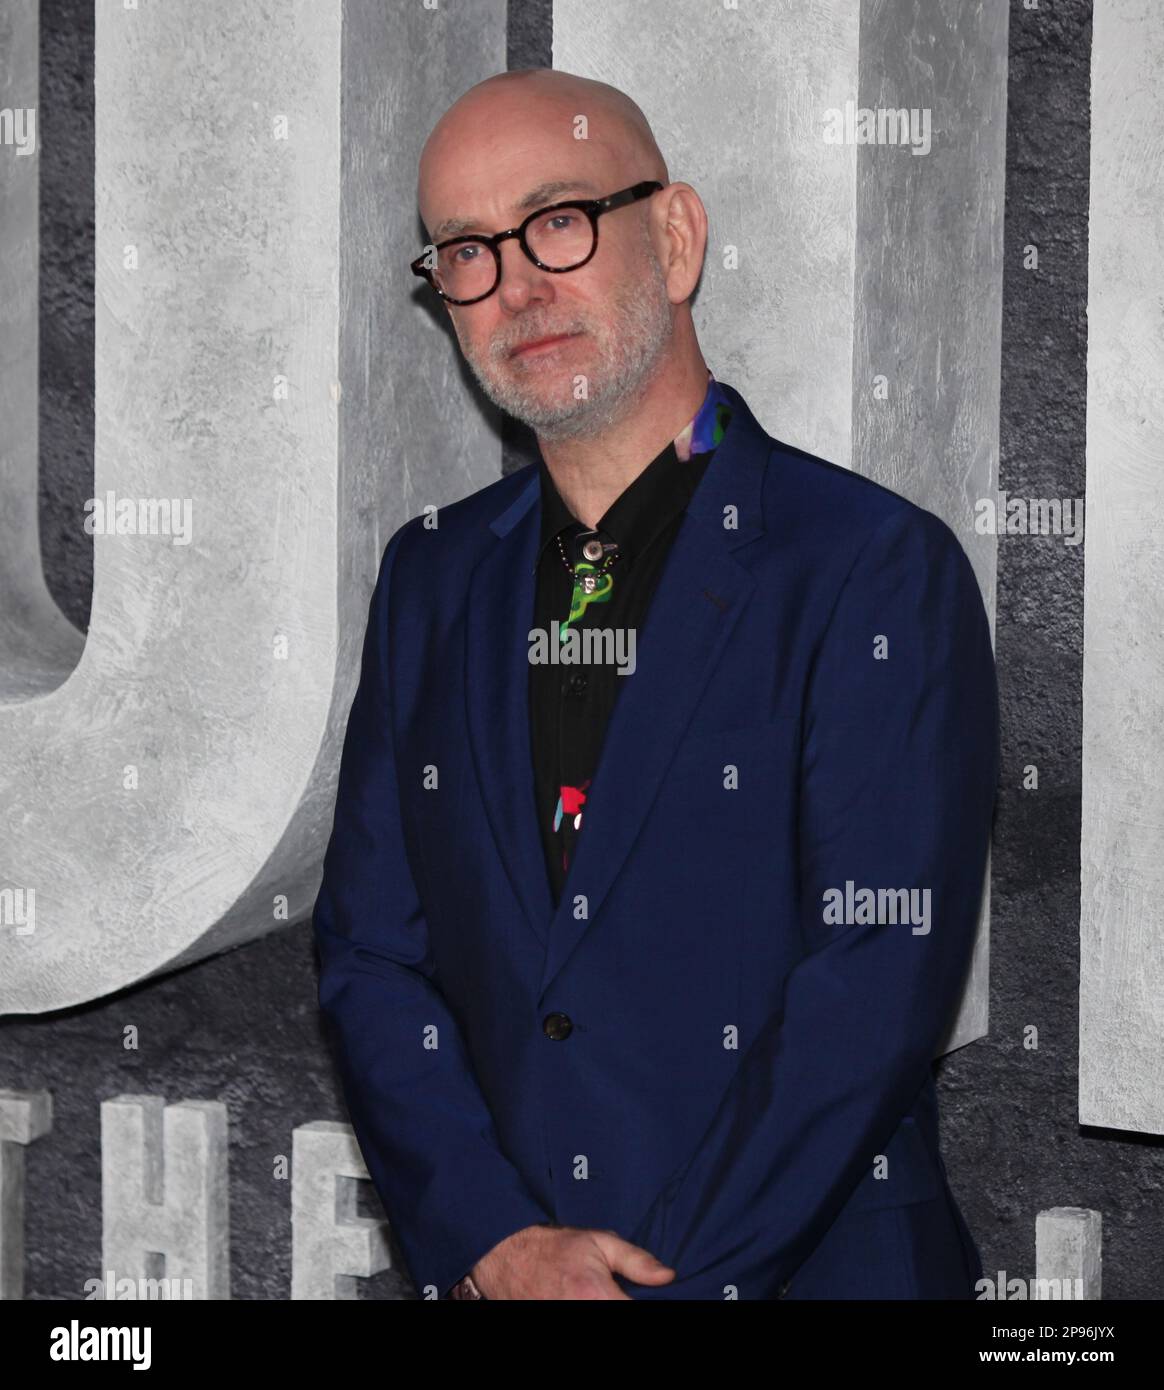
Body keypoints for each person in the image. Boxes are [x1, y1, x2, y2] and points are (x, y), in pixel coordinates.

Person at [312, 67, 999, 1300]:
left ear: (674, 238)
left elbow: (870, 990)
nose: (517, 283)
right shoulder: (429, 576)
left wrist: (651, 1292)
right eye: (465, 250)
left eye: (559, 220)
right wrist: (493, 1239)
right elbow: (371, 955)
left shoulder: (872, 569)